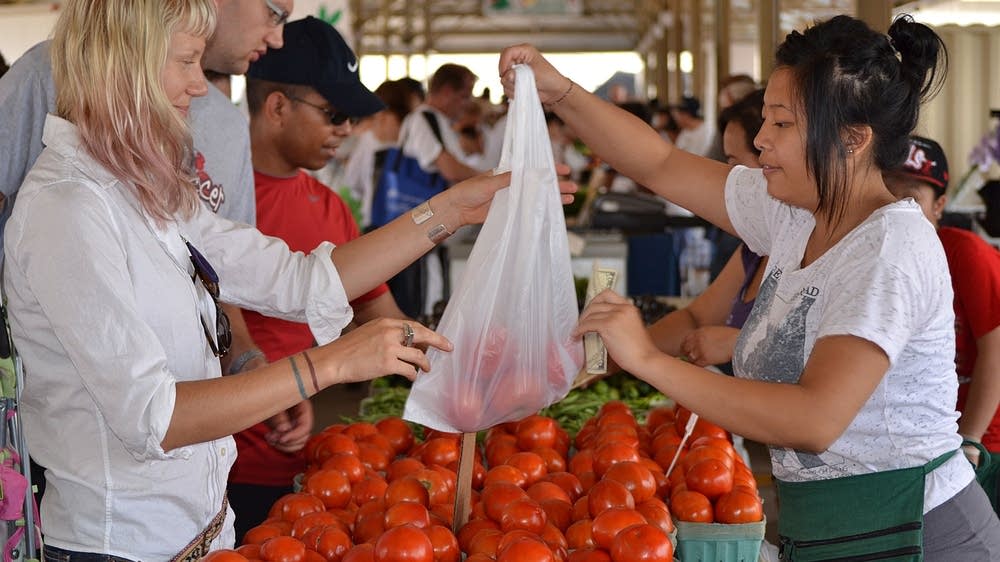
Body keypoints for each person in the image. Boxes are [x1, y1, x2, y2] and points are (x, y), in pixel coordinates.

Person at [5, 1, 573, 558]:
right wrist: (329, 365)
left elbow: (300, 279)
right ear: (123, 66)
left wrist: (451, 209)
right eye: (185, 62)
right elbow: (157, 417)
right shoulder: (68, 210)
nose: (199, 86)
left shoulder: (146, 197)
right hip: (119, 547)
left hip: (199, 530)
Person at [501, 13, 1000, 559]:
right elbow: (661, 162)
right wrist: (562, 94)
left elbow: (813, 419)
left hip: (921, 534)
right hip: (835, 530)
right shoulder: (796, 212)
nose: (761, 140)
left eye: (782, 124)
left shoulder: (889, 248)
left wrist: (647, 358)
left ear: (853, 139)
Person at [230, 16, 410, 542]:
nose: (346, 130)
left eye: (350, 116)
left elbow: (380, 313)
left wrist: (454, 360)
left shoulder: (331, 208)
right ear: (277, 106)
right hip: (216, 464)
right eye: (333, 113)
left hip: (308, 469)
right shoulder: (216, 201)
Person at [884, 136, 1000, 462]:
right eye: (886, 192)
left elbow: (996, 351)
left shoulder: (965, 254)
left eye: (910, 198)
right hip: (915, 438)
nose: (895, 207)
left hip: (981, 439)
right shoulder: (876, 257)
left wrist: (970, 440)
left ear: (939, 206)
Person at [647, 89, 768, 374]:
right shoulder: (758, 245)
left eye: (734, 163)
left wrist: (742, 344)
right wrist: (614, 356)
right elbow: (696, 318)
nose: (727, 177)